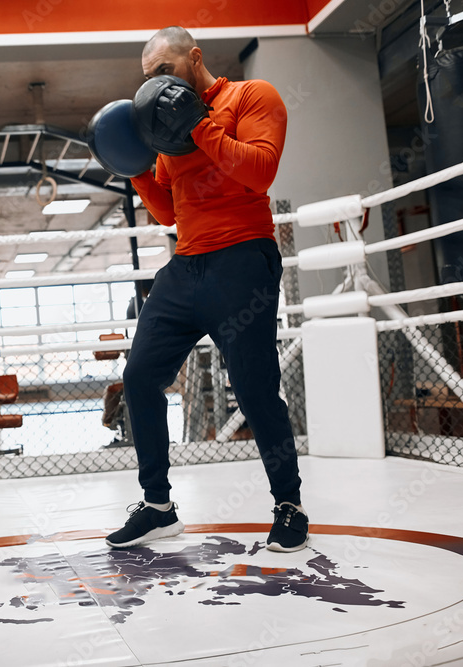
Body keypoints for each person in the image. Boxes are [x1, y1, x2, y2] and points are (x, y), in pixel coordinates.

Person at [105, 27, 309, 553]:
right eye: (148, 78)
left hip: (243, 259)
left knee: (255, 388)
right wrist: (136, 172)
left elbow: (260, 172)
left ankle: (289, 503)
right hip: (186, 265)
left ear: (194, 58)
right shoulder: (165, 132)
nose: (156, 85)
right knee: (140, 377)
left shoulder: (252, 96)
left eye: (165, 72)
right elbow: (170, 212)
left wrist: (200, 126)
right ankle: (157, 506)